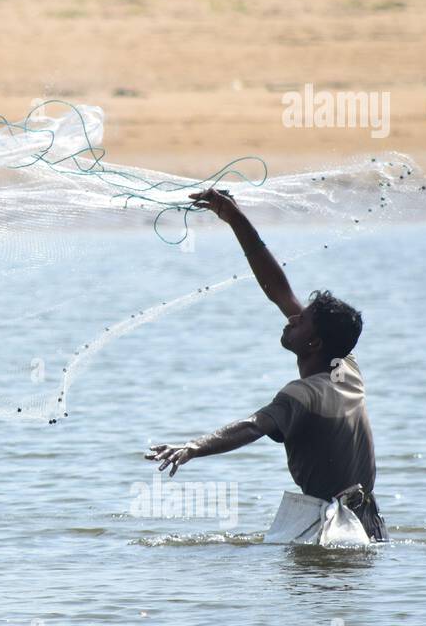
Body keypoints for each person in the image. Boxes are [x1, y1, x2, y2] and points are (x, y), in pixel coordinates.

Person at [144, 188, 388, 542]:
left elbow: (254, 426)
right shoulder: (348, 369)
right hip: (369, 525)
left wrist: (193, 447)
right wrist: (234, 218)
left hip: (334, 531)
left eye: (300, 320)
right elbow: (278, 289)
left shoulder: (303, 395)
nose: (291, 318)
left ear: (314, 343)